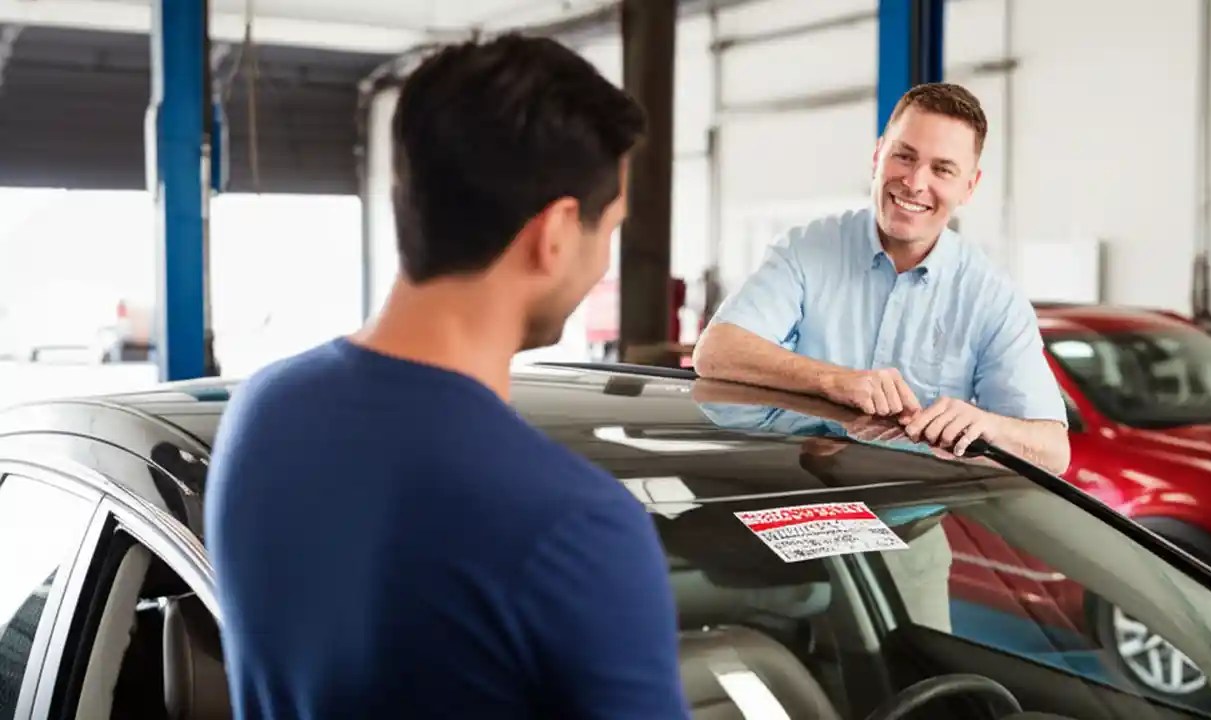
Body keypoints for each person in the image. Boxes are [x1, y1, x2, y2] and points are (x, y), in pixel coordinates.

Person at [204, 34, 690, 719]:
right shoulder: (572, 525)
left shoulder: (262, 412)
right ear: (554, 233)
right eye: (608, 229)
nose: (603, 261)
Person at [693, 82, 1070, 474]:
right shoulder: (807, 249)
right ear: (878, 156)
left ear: (969, 186)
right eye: (904, 157)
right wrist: (835, 382)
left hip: (908, 517)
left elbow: (1054, 452)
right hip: (786, 495)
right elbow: (715, 353)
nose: (915, 182)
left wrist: (989, 426)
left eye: (942, 169)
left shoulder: (993, 297)